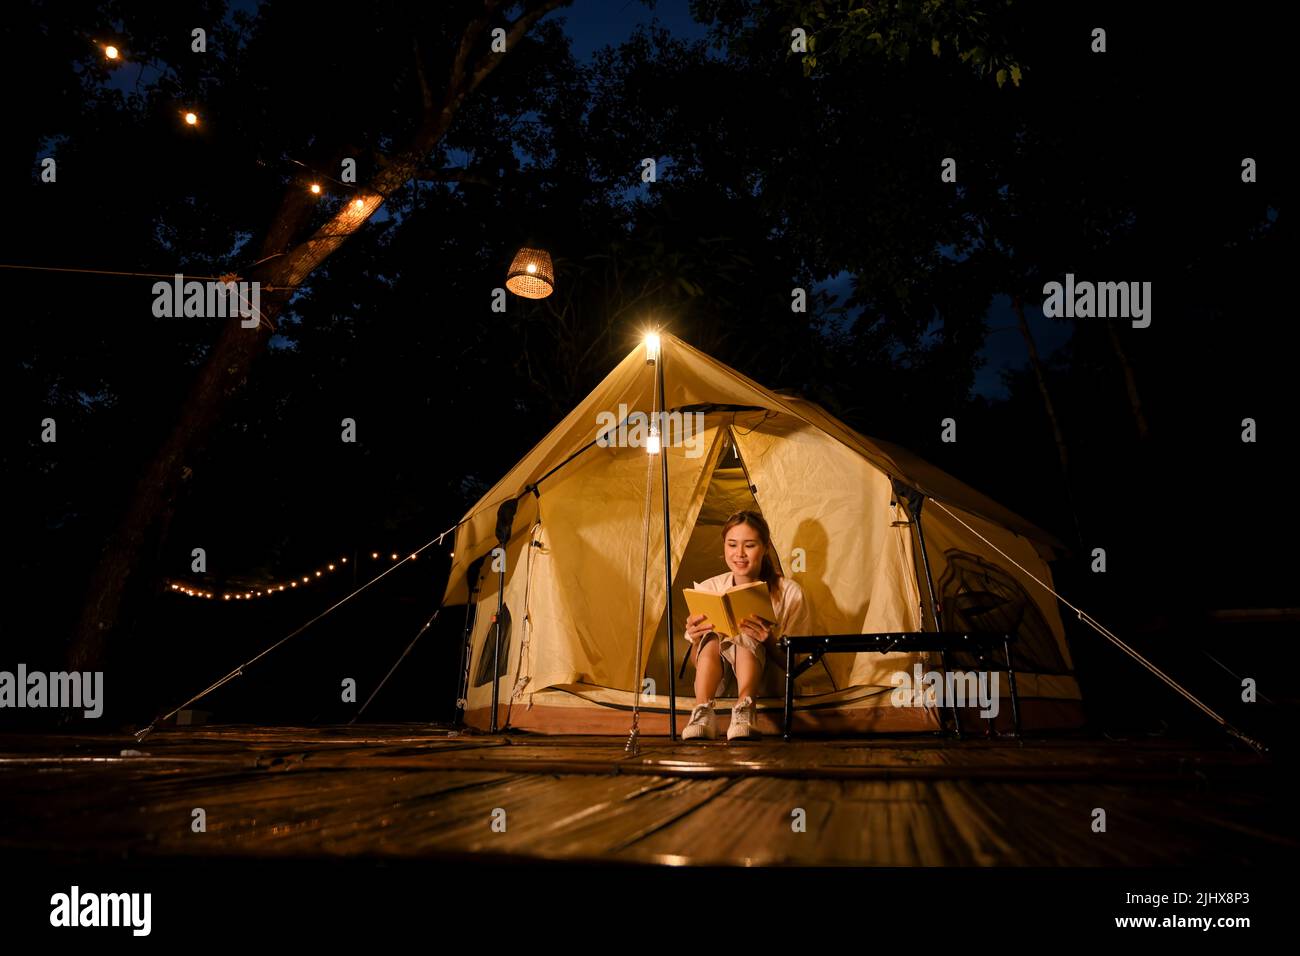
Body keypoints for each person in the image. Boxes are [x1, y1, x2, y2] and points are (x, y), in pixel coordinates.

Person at [682, 510, 811, 741]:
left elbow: (799, 666)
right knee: (712, 635)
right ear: (724, 547)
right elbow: (696, 661)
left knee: (745, 629)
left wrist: (768, 641)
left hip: (769, 683)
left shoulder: (790, 593)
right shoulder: (710, 588)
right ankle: (702, 710)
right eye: (732, 545)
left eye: (749, 545)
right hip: (722, 685)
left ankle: (746, 708)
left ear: (765, 547)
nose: (739, 554)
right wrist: (695, 639)